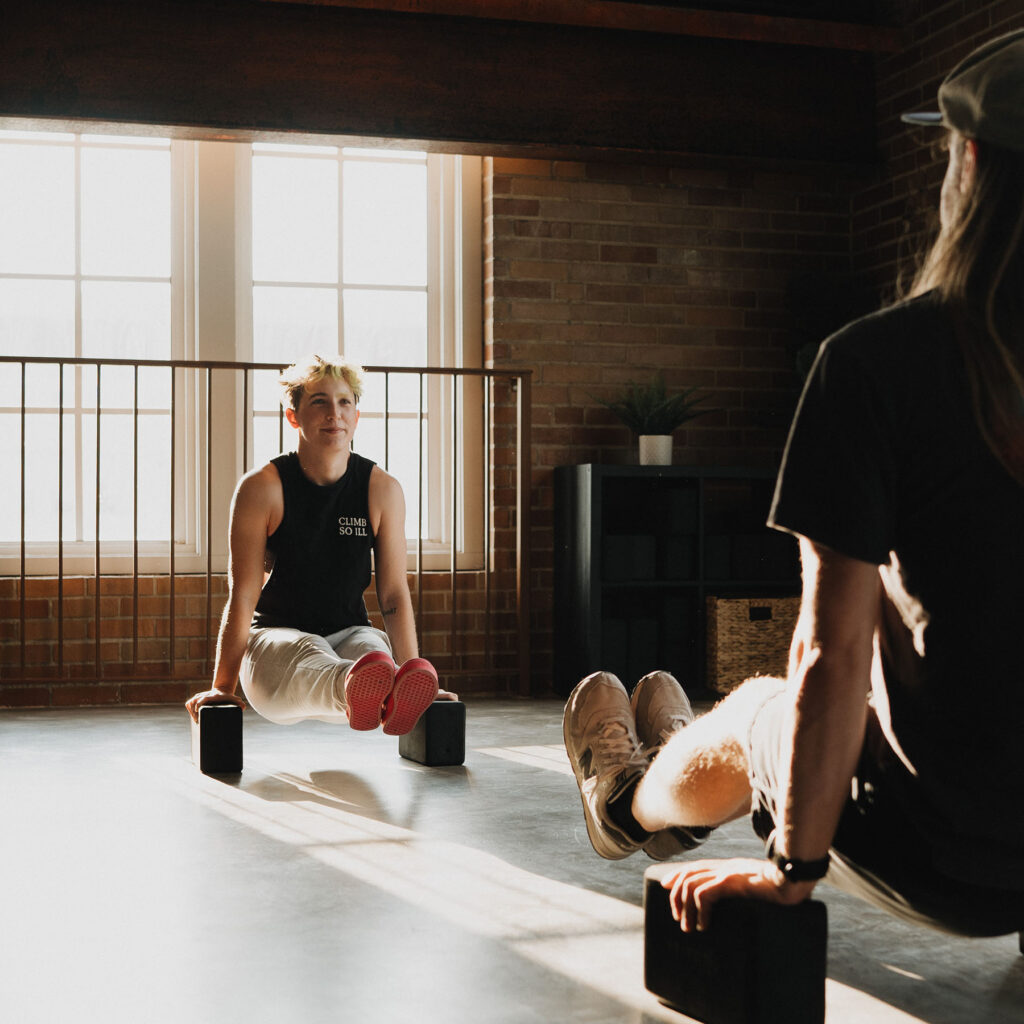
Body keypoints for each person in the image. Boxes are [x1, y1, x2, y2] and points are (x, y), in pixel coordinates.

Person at [564, 29, 1024, 937]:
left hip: (943, 856)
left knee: (758, 704)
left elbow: (831, 653)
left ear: (967, 166)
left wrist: (790, 873)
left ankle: (622, 801)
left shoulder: (877, 364)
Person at [186, 353, 455, 736]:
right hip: (276, 649)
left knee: (371, 646)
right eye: (319, 402)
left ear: (357, 417)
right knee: (310, 651)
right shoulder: (262, 488)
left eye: (345, 402)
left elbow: (393, 594)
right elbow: (244, 594)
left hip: (348, 635)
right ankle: (360, 686)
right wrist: (222, 687)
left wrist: (414, 673)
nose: (335, 413)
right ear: (293, 416)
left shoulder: (382, 489)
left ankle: (391, 685)